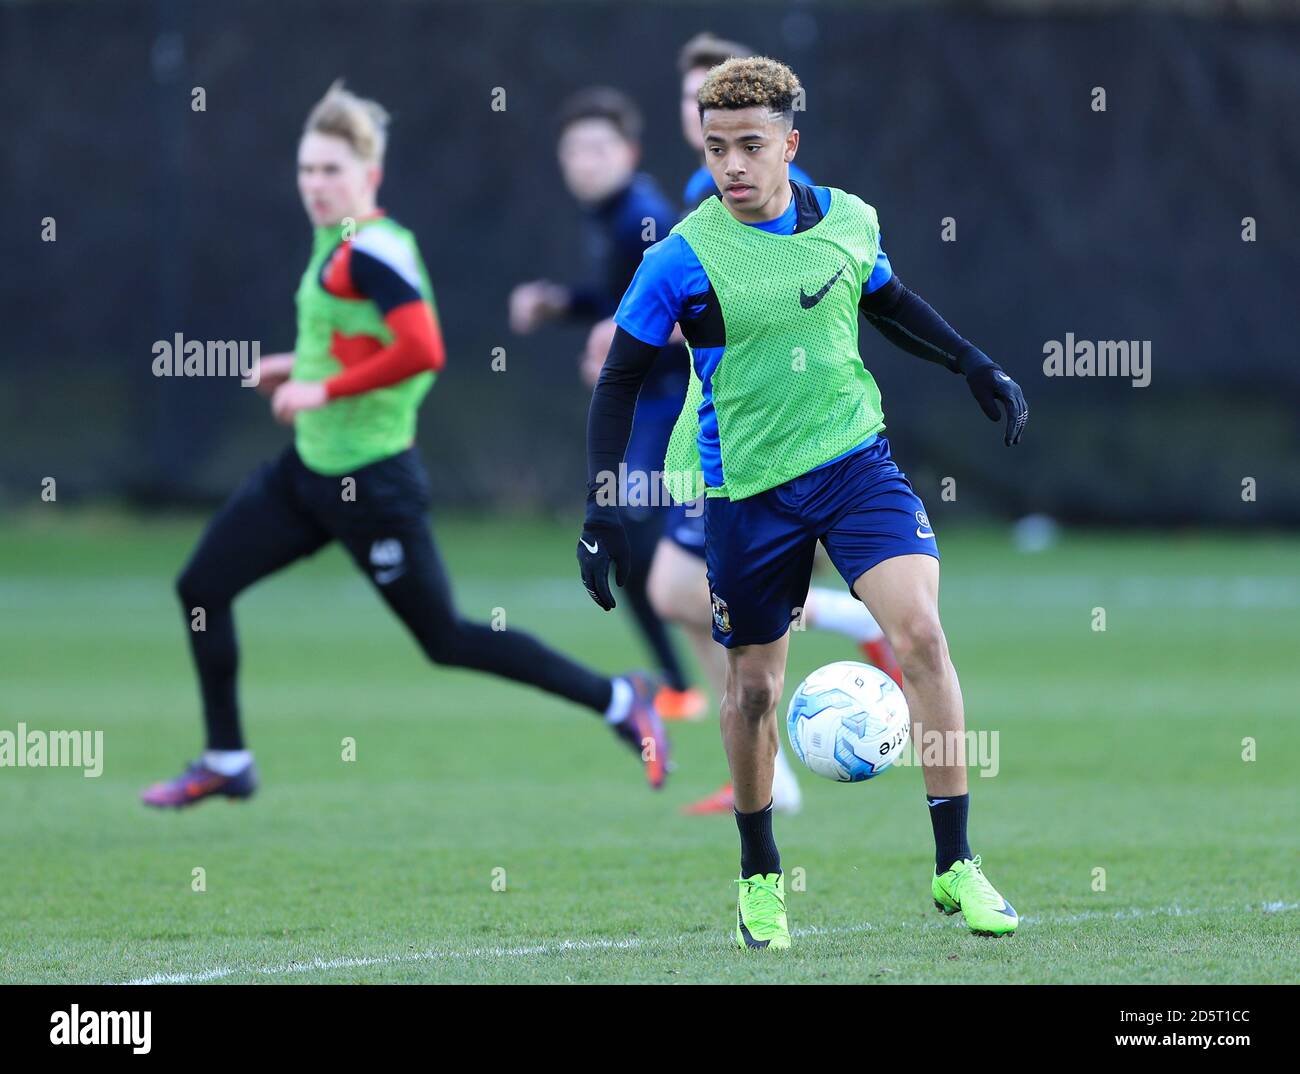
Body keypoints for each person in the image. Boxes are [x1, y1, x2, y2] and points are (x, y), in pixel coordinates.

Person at [577, 57, 1028, 947]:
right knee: (751, 692)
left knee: (924, 637)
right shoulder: (680, 257)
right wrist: (598, 512)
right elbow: (618, 383)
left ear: (791, 143)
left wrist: (973, 362)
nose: (731, 166)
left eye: (750, 146)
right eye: (715, 149)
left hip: (856, 465)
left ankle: (956, 864)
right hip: (746, 493)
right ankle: (759, 880)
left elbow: (890, 302)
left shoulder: (847, 221)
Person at [141, 81, 668, 809]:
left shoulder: (368, 251)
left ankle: (618, 699)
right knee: (201, 587)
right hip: (308, 473)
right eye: (307, 169)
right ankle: (227, 758)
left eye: (333, 170)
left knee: (446, 639)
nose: (317, 185)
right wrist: (301, 367)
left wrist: (319, 391)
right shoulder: (341, 242)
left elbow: (423, 350)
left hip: (373, 486)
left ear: (370, 176)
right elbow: (366, 341)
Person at [509, 87, 699, 715]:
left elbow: (687, 309)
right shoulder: (614, 217)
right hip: (647, 402)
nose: (584, 161)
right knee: (636, 542)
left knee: (640, 537)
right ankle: (677, 684)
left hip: (670, 404)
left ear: (631, 152)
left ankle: (683, 681)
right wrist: (561, 303)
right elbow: (618, 298)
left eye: (598, 147)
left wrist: (617, 348)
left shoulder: (642, 216)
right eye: (573, 150)